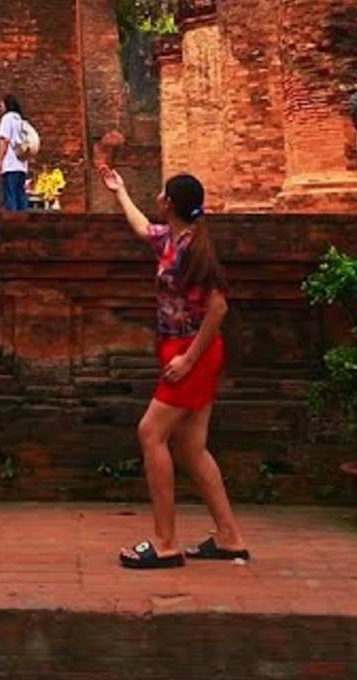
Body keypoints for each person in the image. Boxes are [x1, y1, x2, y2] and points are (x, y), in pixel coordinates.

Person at [100, 165, 248, 569]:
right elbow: (141, 229)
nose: (158, 198)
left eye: (163, 194)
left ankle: (165, 543)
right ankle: (230, 537)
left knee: (151, 433)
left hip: (192, 351)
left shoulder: (191, 249)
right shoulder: (173, 238)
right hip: (180, 350)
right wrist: (120, 192)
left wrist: (189, 359)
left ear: (172, 203)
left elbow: (218, 308)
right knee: (190, 447)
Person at [0, 95, 37, 213]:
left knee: (10, 196)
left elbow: (5, 140)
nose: (0, 107)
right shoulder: (21, 120)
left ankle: (11, 225)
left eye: (2, 104)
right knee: (21, 196)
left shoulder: (6, 118)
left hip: (10, 164)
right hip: (22, 164)